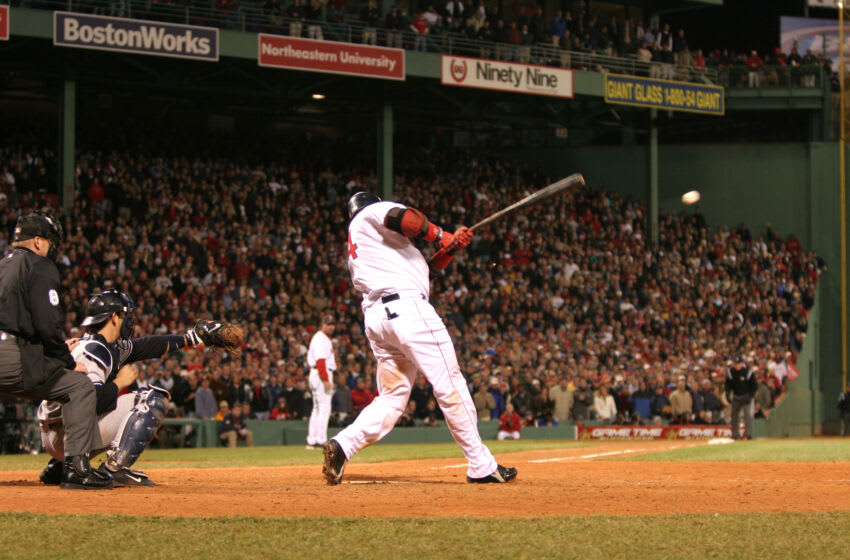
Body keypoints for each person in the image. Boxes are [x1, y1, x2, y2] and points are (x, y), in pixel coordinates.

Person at [322, 192, 517, 485]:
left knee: (392, 398)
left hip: (379, 318)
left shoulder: (374, 246)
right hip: (407, 310)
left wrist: (451, 247)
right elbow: (402, 218)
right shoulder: (373, 213)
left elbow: (427, 273)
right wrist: (439, 235)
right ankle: (481, 465)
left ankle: (343, 445)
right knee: (449, 383)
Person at [38, 290, 239, 486]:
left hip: (57, 432)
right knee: (153, 399)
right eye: (126, 314)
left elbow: (146, 345)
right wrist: (120, 383)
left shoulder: (96, 344)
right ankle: (114, 469)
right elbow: (91, 402)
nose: (130, 320)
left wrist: (191, 338)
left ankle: (59, 467)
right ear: (114, 317)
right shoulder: (95, 351)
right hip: (65, 435)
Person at [0, 213, 109, 490]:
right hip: (13, 357)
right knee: (79, 386)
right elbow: (47, 325)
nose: (52, 247)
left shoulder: (3, 265)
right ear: (37, 241)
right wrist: (64, 360)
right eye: (50, 241)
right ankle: (76, 469)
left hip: (12, 347)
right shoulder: (40, 265)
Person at [306, 315, 336, 449]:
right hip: (320, 373)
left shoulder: (322, 338)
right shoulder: (320, 338)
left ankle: (313, 440)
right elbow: (320, 360)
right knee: (323, 408)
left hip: (317, 373)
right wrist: (325, 378)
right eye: (328, 323)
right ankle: (320, 440)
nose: (331, 326)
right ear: (322, 324)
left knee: (317, 408)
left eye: (332, 324)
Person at [726, 356, 757, 440]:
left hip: (746, 396)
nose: (737, 366)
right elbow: (728, 384)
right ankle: (735, 434)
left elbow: (754, 386)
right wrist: (728, 393)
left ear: (742, 363)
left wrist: (750, 396)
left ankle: (748, 434)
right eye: (735, 364)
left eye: (738, 364)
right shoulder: (731, 372)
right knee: (734, 415)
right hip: (736, 396)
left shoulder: (748, 372)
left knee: (747, 415)